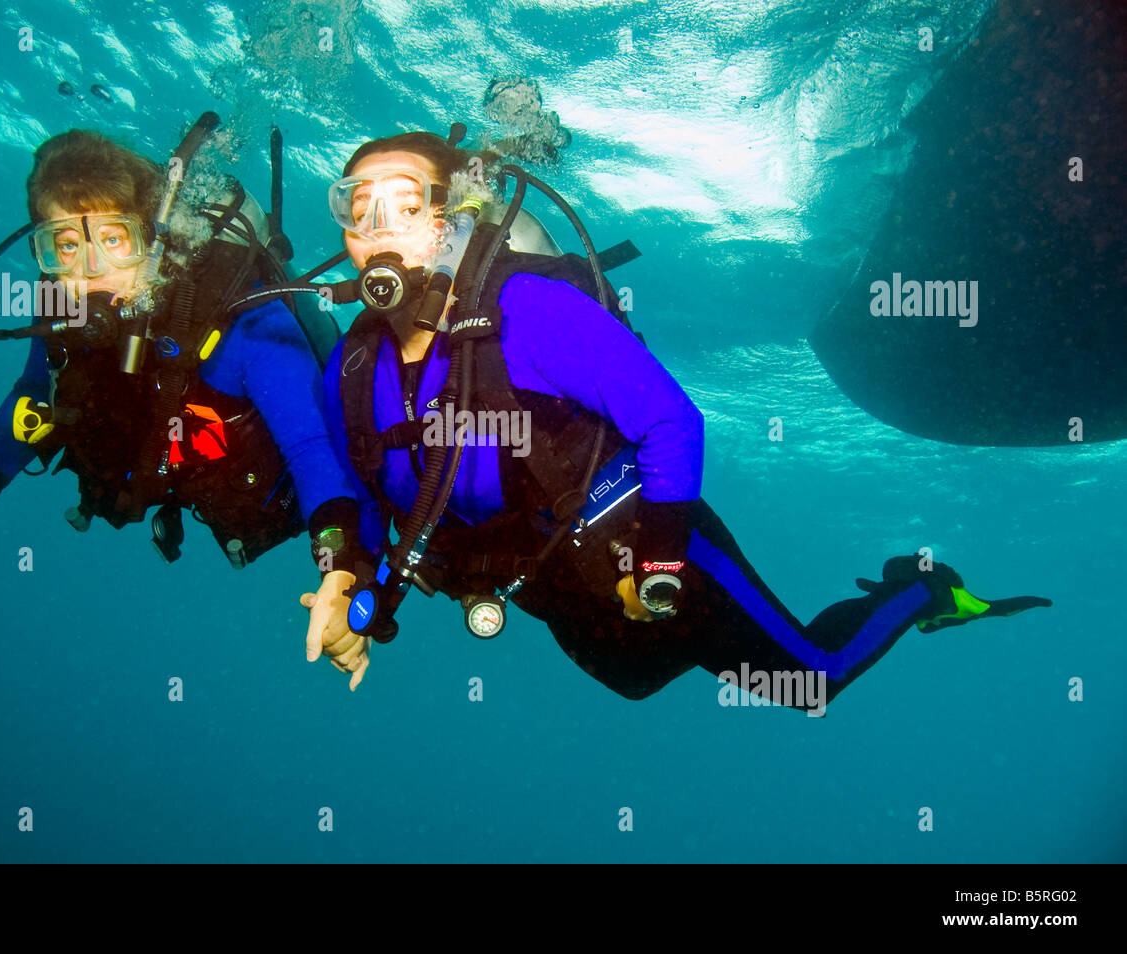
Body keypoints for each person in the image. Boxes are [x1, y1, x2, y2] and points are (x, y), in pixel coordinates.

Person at [300, 130, 1052, 706]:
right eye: (355, 207)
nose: (376, 226)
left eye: (403, 201)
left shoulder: (532, 311)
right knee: (635, 682)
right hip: (547, 579)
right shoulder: (351, 369)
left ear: (452, 220)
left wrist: (659, 566)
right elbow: (370, 499)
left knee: (812, 681)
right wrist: (347, 584)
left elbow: (673, 424)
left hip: (648, 545)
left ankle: (925, 590)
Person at [0, 123, 368, 601]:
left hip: (264, 486)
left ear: (152, 239)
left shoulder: (241, 319)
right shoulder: (64, 306)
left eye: (114, 239)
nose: (91, 268)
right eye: (65, 245)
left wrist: (338, 570)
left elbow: (311, 446)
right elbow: (37, 393)